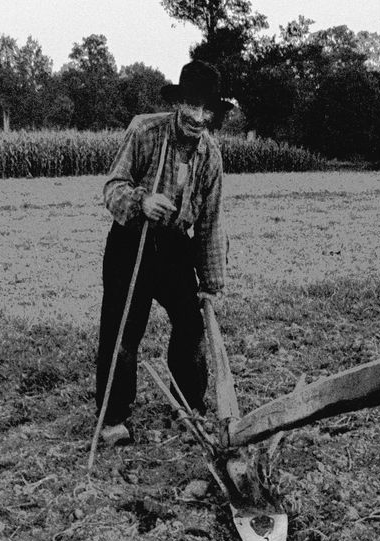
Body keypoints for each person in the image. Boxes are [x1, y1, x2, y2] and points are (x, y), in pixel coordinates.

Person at [95, 60, 233, 446]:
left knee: (190, 327)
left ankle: (189, 409)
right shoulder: (145, 130)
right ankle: (113, 419)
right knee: (123, 330)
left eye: (207, 109)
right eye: (192, 106)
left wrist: (210, 281)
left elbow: (209, 220)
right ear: (179, 104)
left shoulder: (211, 156)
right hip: (132, 241)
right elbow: (112, 187)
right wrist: (142, 201)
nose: (198, 117)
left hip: (174, 247)